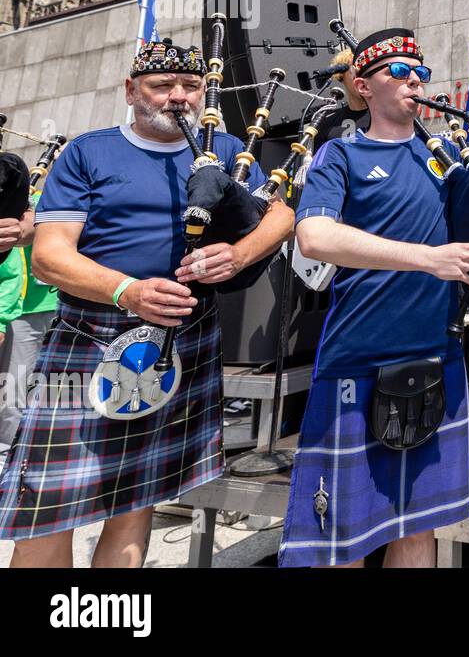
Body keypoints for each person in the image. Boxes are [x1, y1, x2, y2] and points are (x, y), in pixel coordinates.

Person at [0, 40, 295, 567]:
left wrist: (238, 253)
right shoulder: (89, 152)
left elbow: (281, 215)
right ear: (131, 90)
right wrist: (127, 291)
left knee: (136, 505)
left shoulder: (224, 148)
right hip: (89, 334)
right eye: (162, 86)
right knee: (47, 505)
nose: (178, 97)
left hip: (183, 341)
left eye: (191, 87)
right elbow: (48, 255)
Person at [280, 28, 469, 568]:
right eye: (399, 72)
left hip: (436, 354)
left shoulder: (447, 159)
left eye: (421, 73)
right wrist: (427, 257)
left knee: (419, 530)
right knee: (341, 537)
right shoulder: (338, 155)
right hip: (358, 358)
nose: (415, 81)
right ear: (363, 86)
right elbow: (315, 237)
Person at [0, 163, 55, 477]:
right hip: (23, 309)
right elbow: (12, 268)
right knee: (14, 388)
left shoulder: (51, 201)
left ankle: (31, 454)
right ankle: (7, 457)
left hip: (56, 305)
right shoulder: (18, 202)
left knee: (48, 388)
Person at [316, 46, 370, 142]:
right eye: (356, 71)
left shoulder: (388, 115)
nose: (362, 77)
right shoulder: (327, 123)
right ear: (341, 76)